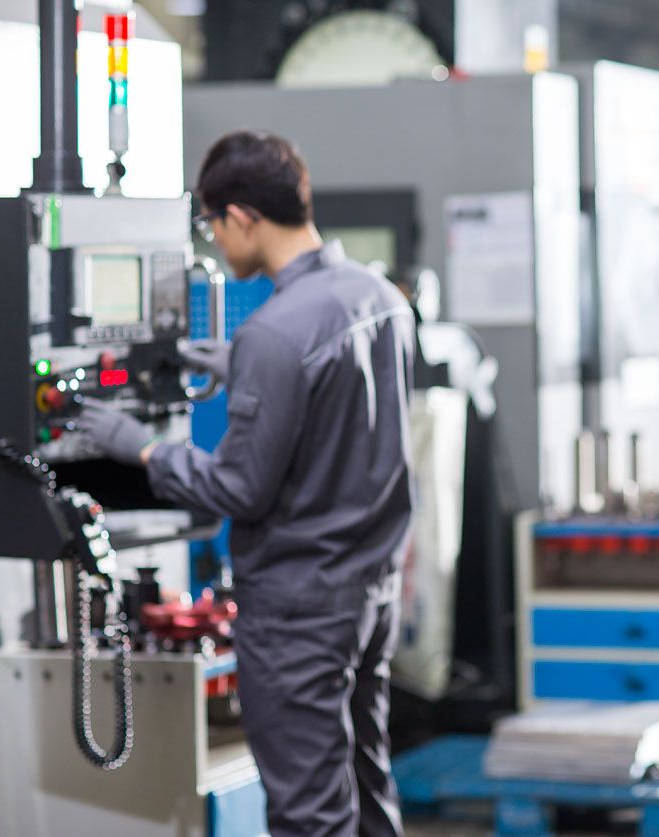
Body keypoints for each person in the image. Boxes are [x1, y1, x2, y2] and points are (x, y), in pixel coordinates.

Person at [77, 131, 415, 837]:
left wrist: (139, 448)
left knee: (310, 814)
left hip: (299, 609)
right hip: (370, 590)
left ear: (240, 216)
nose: (216, 243)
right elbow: (342, 409)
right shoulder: (379, 297)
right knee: (365, 784)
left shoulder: (276, 331)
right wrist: (245, 365)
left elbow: (237, 489)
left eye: (211, 225)